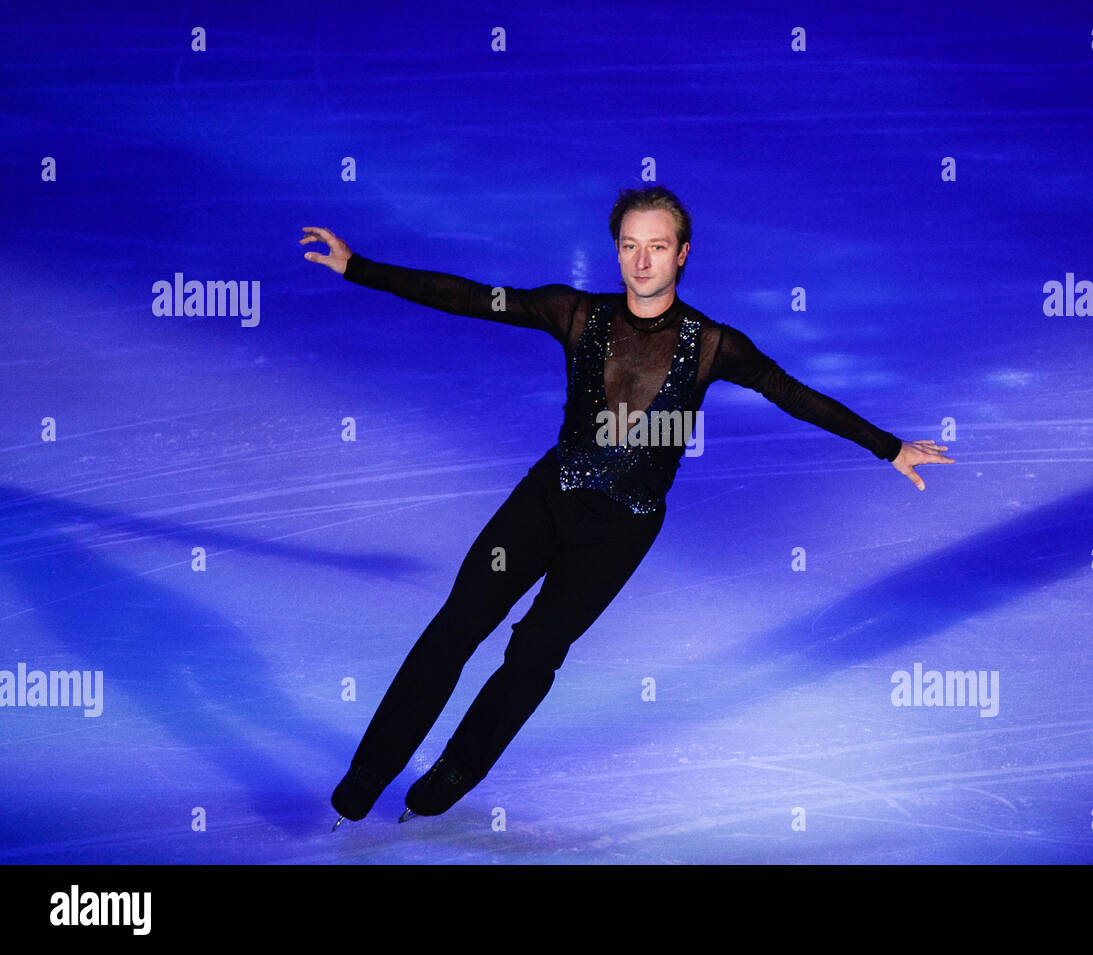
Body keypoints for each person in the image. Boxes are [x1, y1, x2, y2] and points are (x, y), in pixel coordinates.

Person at [301, 185, 953, 827]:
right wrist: (358, 266)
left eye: (658, 247)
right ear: (617, 252)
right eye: (630, 246)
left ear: (682, 254)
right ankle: (365, 777)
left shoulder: (715, 345)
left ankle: (454, 771)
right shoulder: (574, 312)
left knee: (532, 656)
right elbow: (468, 297)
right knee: (456, 627)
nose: (643, 261)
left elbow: (794, 393)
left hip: (620, 532)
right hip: (546, 500)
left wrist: (889, 447)